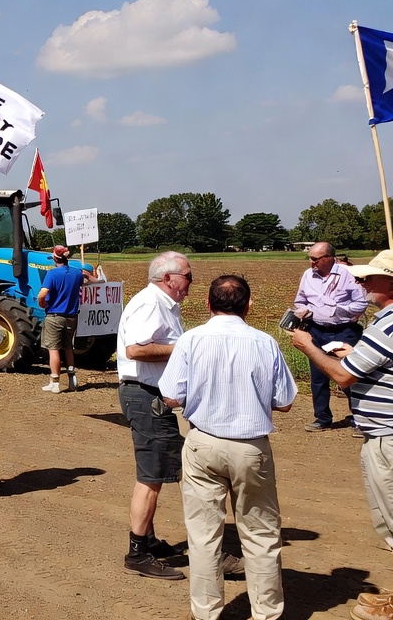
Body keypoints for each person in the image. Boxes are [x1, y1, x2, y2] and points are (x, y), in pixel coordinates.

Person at [160, 275, 296, 620]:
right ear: (248, 306)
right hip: (251, 447)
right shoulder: (264, 342)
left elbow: (171, 395)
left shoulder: (191, 340)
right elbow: (284, 402)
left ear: (208, 304)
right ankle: (267, 612)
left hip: (202, 441)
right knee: (261, 534)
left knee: (204, 535)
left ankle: (206, 612)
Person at [292, 250, 393, 572]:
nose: (362, 282)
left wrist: (308, 346)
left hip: (386, 434)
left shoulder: (387, 324)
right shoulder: (385, 324)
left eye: (370, 277)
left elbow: (345, 376)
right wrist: (356, 353)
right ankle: (323, 417)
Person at [116, 251, 192, 580]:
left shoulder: (159, 302)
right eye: (188, 276)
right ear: (168, 279)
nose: (191, 282)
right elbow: (136, 349)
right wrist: (186, 346)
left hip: (150, 395)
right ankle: (137, 553)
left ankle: (147, 540)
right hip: (144, 395)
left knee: (157, 471)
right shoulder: (151, 303)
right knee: (151, 476)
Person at [293, 242, 367, 432]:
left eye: (315, 259)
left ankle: (360, 419)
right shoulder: (307, 275)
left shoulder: (348, 274)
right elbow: (300, 300)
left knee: (349, 376)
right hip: (316, 330)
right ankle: (322, 418)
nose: (311, 263)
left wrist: (336, 311)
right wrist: (302, 312)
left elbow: (361, 303)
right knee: (318, 378)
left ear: (329, 258)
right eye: (309, 258)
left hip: (344, 331)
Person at [37, 245, 89, 393]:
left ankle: (55, 382)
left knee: (53, 349)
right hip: (71, 317)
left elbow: (42, 294)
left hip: (54, 316)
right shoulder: (76, 273)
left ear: (54, 257)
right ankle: (72, 379)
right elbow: (88, 282)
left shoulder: (52, 274)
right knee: (68, 347)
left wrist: (42, 303)